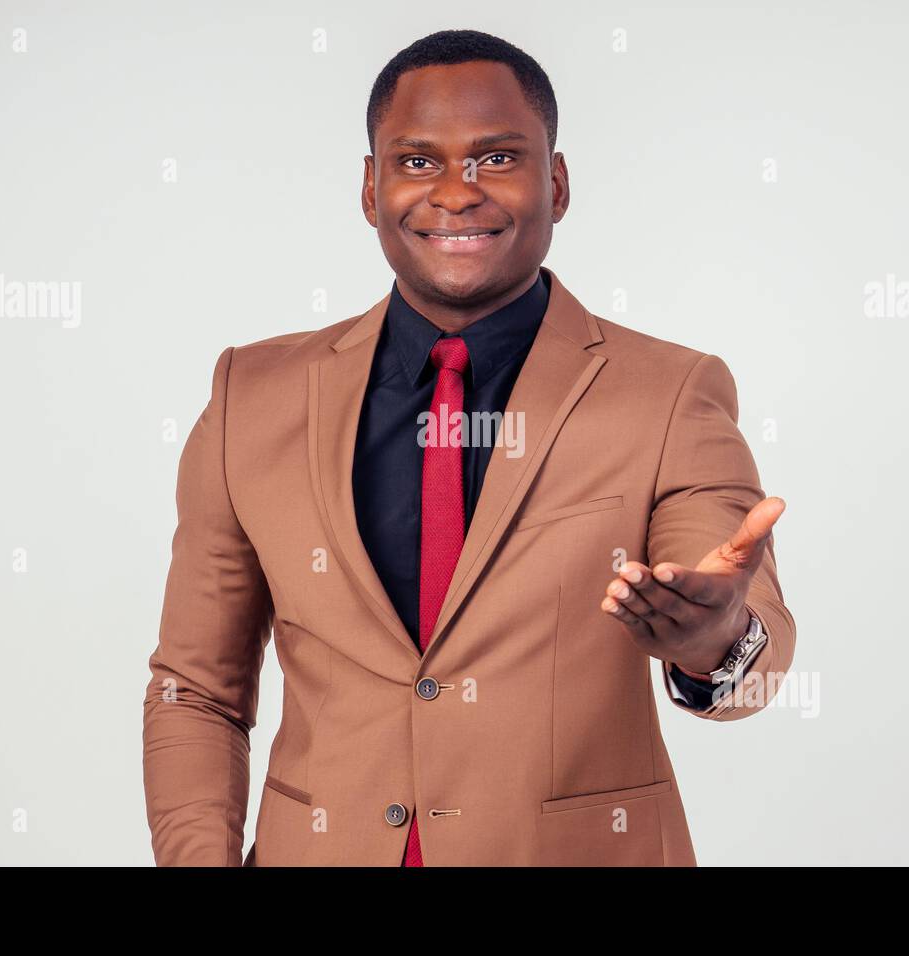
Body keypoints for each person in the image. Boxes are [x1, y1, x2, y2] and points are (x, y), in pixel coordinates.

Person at [143, 28, 795, 867]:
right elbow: (195, 690)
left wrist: (716, 639)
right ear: (371, 188)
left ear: (555, 184)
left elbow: (758, 666)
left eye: (497, 159)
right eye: (418, 162)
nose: (456, 193)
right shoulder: (252, 395)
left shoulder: (669, 393)